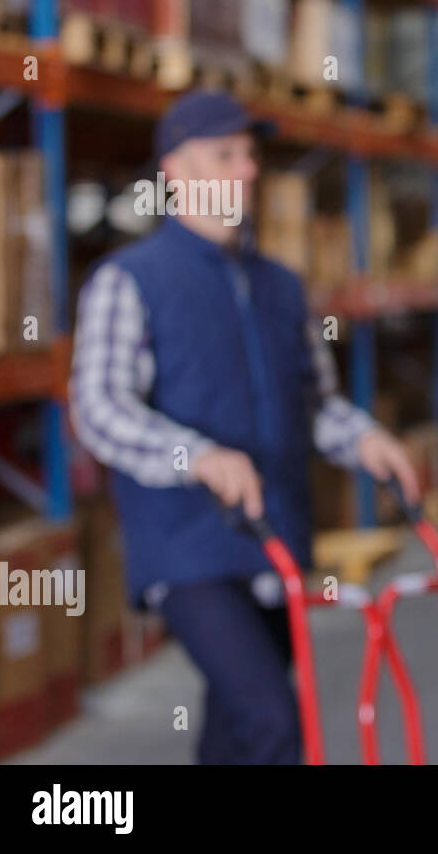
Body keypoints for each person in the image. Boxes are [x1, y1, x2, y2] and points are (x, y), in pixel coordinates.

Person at [69, 90, 419, 764]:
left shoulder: (282, 287)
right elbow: (100, 409)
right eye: (225, 155)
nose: (248, 170)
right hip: (187, 545)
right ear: (175, 170)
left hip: (277, 535)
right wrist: (195, 456)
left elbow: (313, 404)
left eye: (251, 155)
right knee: (272, 722)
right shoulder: (129, 280)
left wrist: (366, 438)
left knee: (236, 727)